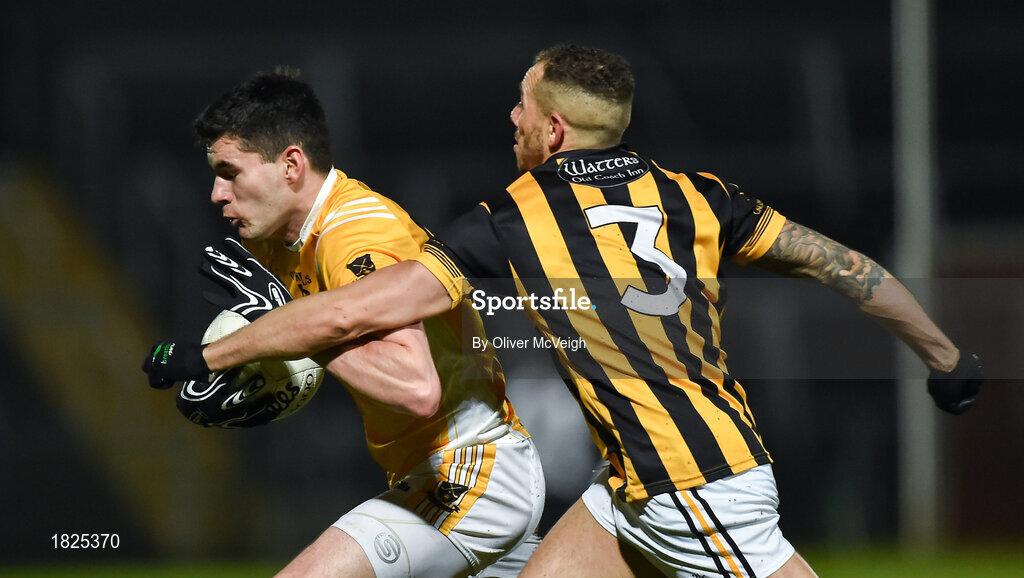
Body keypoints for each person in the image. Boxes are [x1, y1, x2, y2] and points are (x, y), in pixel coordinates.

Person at [145, 46, 984, 577]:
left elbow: (363, 310)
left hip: (696, 483)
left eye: (521, 104)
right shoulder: (698, 196)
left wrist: (211, 353)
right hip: (624, 488)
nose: (509, 117)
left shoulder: (516, 216)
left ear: (551, 131)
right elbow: (846, 266)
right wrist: (945, 358)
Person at [146, 70, 545, 578]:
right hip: (434, 470)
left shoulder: (356, 233)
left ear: (291, 164)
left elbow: (415, 387)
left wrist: (296, 330)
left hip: (471, 467)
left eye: (230, 172)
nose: (217, 193)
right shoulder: (279, 242)